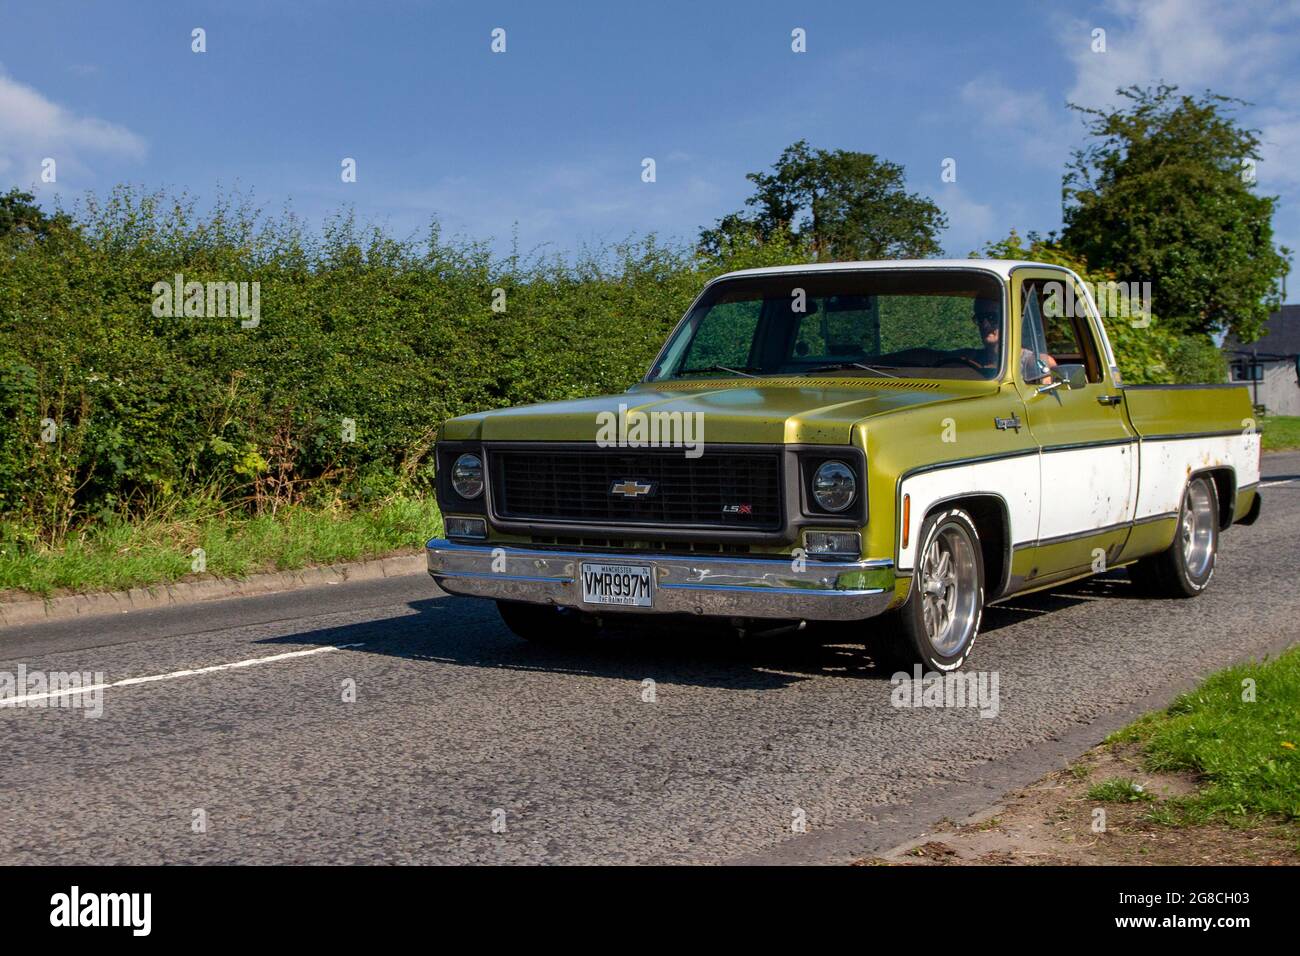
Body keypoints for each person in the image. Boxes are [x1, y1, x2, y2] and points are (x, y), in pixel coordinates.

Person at [970, 297, 1057, 381]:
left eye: (992, 318)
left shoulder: (1029, 361)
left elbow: (1043, 364)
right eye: (980, 318)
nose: (985, 325)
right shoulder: (971, 359)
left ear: (1010, 319)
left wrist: (1043, 368)